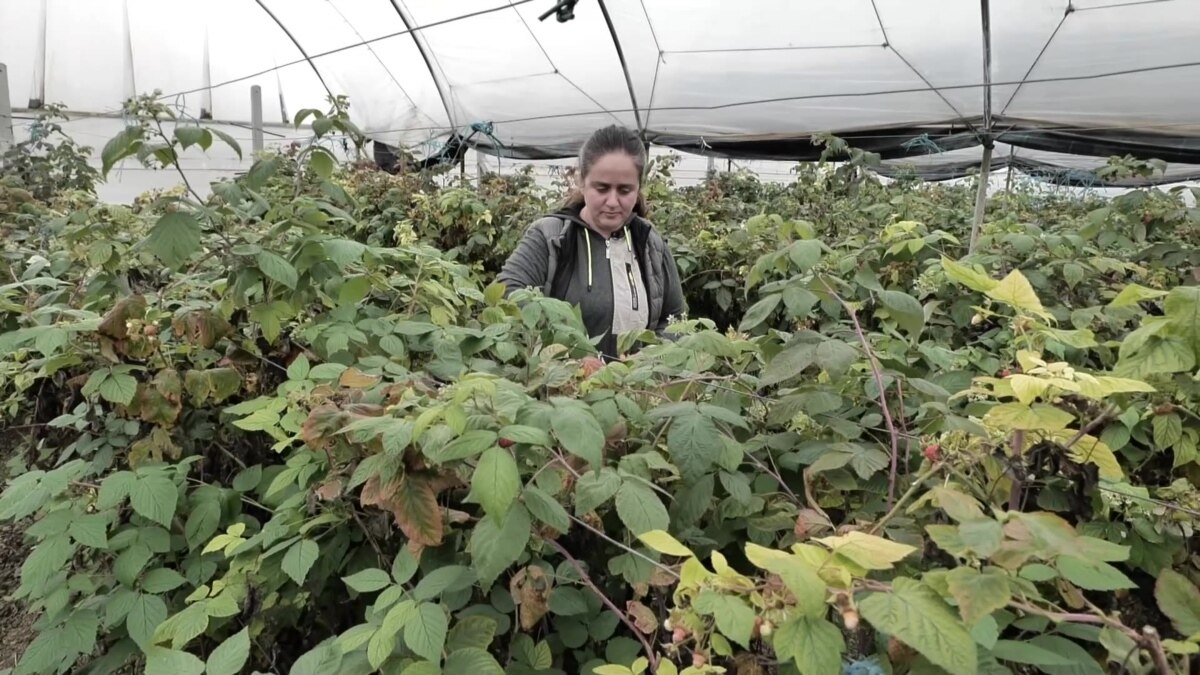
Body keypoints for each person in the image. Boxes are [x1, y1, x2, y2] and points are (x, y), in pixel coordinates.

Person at [496, 124, 685, 359]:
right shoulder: (551, 237)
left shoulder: (650, 244)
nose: (613, 201)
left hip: (634, 390)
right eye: (602, 188)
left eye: (625, 190)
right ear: (582, 181)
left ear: (638, 189)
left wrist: (648, 361)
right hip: (561, 388)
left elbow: (675, 320)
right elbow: (507, 295)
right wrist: (566, 352)